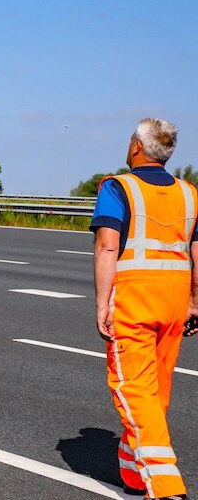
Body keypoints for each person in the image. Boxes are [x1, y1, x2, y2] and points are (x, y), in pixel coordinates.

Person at [91, 118, 198, 500]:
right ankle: (134, 476)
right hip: (174, 300)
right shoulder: (190, 193)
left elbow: (107, 246)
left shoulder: (118, 187)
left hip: (135, 298)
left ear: (137, 146)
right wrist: (194, 301)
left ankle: (166, 486)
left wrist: (103, 302)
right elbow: (197, 251)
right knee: (156, 393)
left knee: (133, 389)